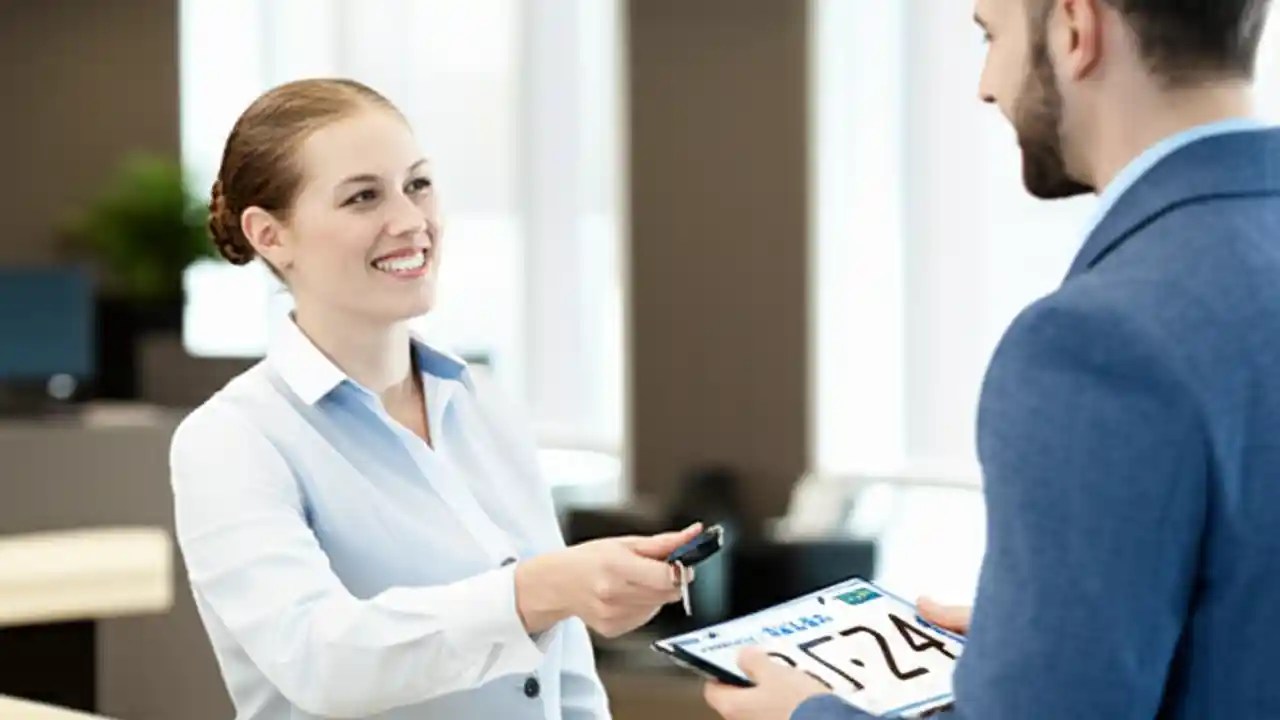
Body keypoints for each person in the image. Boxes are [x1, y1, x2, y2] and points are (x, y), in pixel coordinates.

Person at [704, 0, 1280, 718]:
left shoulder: (1094, 342)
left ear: (1076, 29)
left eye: (990, 35)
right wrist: (1050, 645)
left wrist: (806, 715)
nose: (985, 85)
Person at [170, 78, 700, 720]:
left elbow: (565, 676)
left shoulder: (483, 405)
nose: (410, 221)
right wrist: (540, 589)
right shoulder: (232, 441)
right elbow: (320, 661)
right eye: (363, 197)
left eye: (417, 184)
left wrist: (556, 598)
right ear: (269, 235)